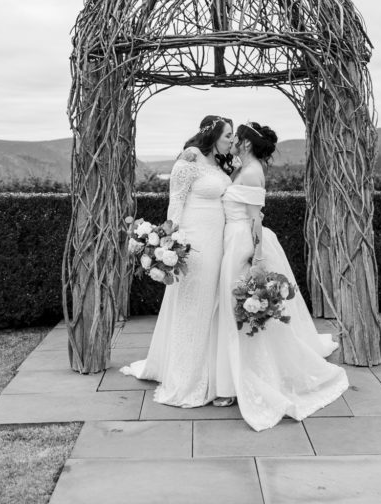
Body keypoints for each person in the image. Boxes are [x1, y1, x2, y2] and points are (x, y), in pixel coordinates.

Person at [213, 121, 349, 430]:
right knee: (236, 310)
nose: (233, 140)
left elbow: (255, 220)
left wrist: (257, 258)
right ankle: (231, 376)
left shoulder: (250, 172)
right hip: (233, 240)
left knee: (240, 309)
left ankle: (247, 378)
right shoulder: (244, 167)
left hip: (242, 244)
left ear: (246, 144)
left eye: (238, 138)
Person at [120, 115, 233, 406]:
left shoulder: (217, 163)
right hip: (196, 242)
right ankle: (188, 377)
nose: (231, 141)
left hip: (219, 240)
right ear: (212, 136)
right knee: (194, 305)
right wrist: (173, 243)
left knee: (214, 305)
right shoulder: (187, 163)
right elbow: (176, 203)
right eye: (228, 136)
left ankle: (214, 372)